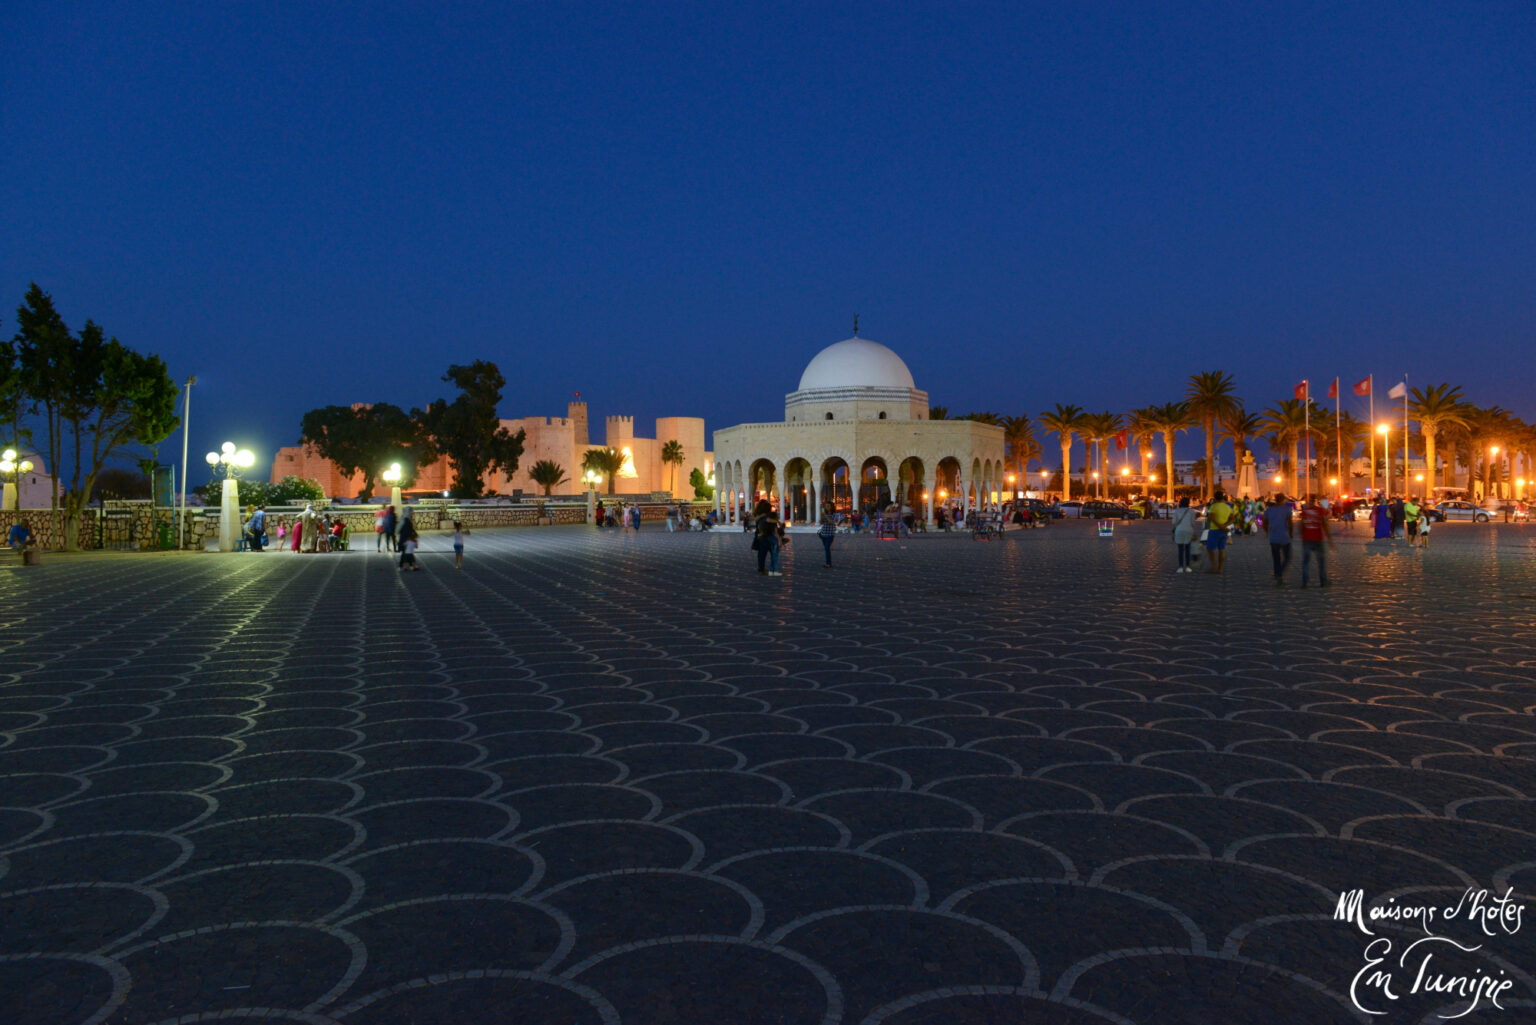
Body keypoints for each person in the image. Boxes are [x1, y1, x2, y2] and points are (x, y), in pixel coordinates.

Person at [1299, 494, 1334, 588]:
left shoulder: (1305, 511)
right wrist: (1330, 539)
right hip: (1318, 538)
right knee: (1321, 561)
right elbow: (1325, 524)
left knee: (1306, 561)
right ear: (1316, 501)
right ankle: (1323, 581)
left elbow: (1301, 524)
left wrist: (1301, 534)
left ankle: (1304, 582)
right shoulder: (1320, 510)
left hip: (1306, 538)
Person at [1203, 489, 1236, 574]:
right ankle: (1220, 568)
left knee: (1210, 549)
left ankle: (1214, 566)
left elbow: (1211, 518)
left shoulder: (1213, 506)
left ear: (1215, 498)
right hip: (1224, 531)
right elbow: (1233, 518)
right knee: (1222, 549)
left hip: (1214, 530)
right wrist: (1224, 525)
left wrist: (1220, 526)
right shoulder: (1228, 507)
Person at [1265, 493, 1293, 586]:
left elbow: (1264, 523)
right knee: (1287, 557)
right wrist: (1291, 534)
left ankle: (1278, 575)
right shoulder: (1287, 509)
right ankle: (1279, 573)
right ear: (1284, 499)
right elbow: (1290, 523)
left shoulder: (1269, 510)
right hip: (1284, 537)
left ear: (1275, 499)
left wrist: (1267, 532)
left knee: (1276, 558)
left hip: (1273, 537)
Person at [1170, 497, 1199, 573]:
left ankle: (1180, 566)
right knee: (1188, 549)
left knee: (1180, 549)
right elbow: (1193, 523)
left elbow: (1173, 522)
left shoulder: (1177, 511)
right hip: (1189, 530)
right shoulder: (1192, 511)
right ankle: (1188, 566)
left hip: (1179, 531)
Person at [753, 500, 782, 576]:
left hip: (760, 535)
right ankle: (768, 569)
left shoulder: (759, 515)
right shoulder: (766, 516)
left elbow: (756, 520)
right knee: (769, 552)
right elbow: (772, 527)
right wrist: (778, 522)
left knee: (762, 553)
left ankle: (762, 568)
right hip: (766, 536)